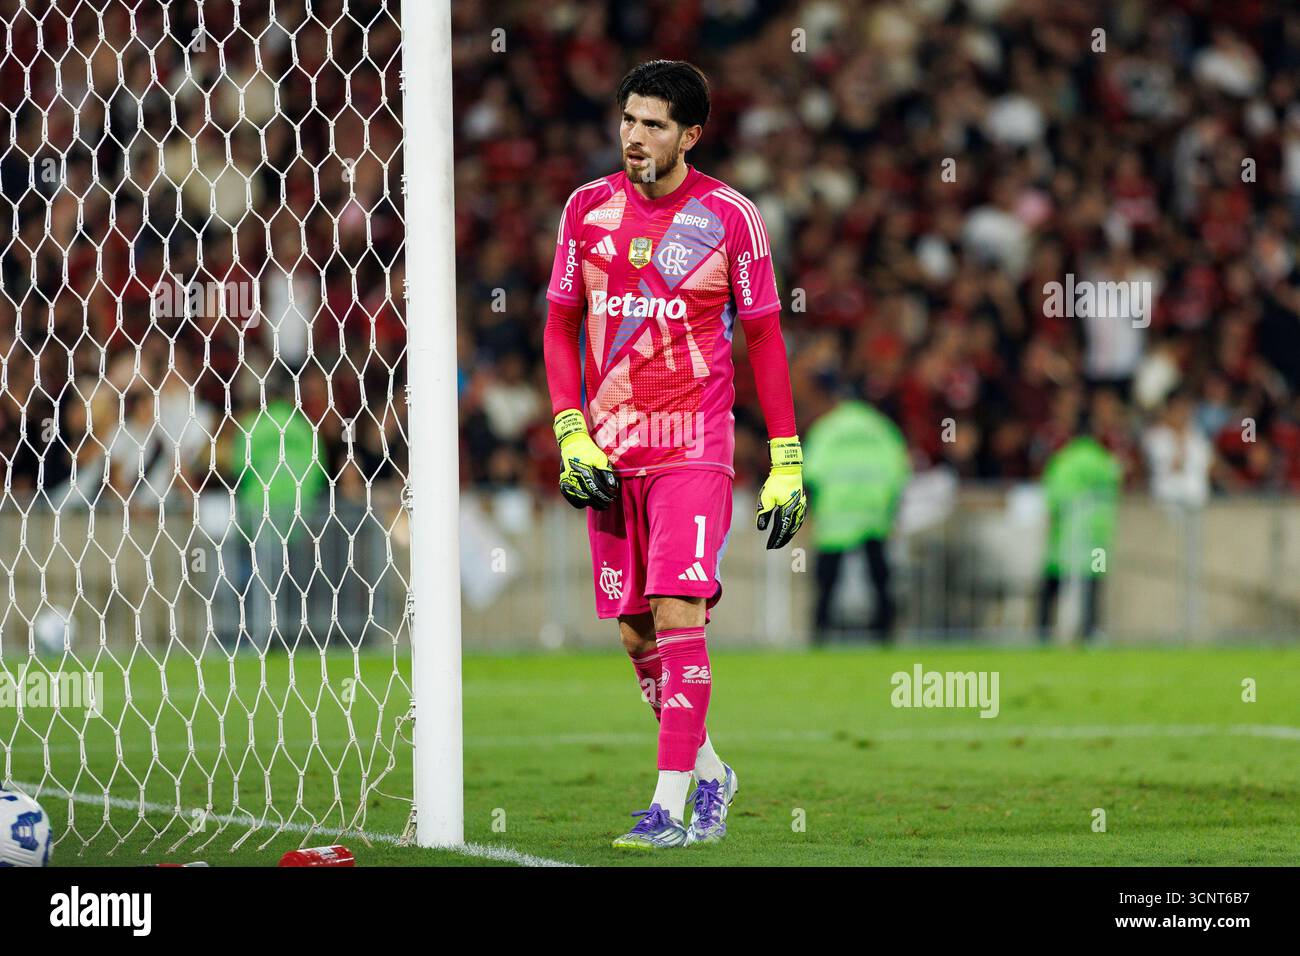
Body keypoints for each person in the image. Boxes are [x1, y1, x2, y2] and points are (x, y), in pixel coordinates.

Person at [543, 60, 805, 849]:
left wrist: (786, 458)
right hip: (609, 450)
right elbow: (560, 324)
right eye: (629, 119)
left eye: (654, 123)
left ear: (691, 134)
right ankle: (711, 770)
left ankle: (667, 807)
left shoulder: (730, 217)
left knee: (678, 610)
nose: (634, 136)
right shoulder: (586, 209)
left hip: (693, 444)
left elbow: (764, 337)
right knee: (635, 635)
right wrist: (568, 428)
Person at [803, 394, 911, 644]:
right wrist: (892, 510)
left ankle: (820, 634)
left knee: (827, 583)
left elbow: (810, 472)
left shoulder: (827, 429)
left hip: (835, 517)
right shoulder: (882, 429)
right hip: (872, 514)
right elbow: (899, 472)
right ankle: (884, 634)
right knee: (879, 578)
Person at [1038, 417, 1122, 642]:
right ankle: (1091, 631)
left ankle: (1044, 631)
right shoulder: (1105, 460)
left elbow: (1054, 495)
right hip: (1099, 533)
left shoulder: (1064, 459)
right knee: (1093, 584)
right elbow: (1116, 487)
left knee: (1054, 583)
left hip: (1068, 532)